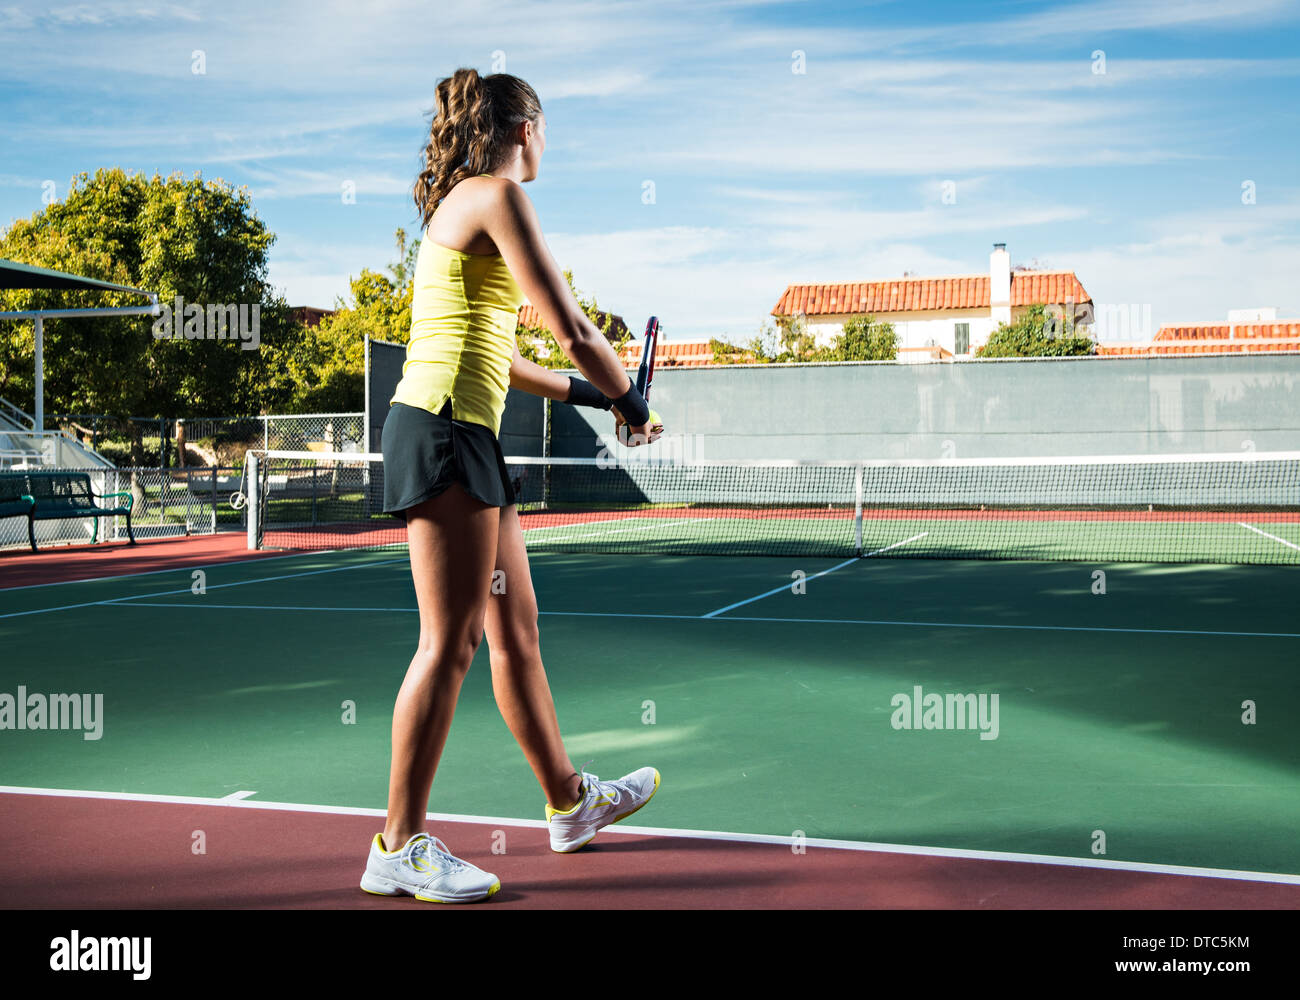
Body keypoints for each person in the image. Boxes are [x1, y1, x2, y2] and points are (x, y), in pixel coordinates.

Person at [359, 68, 662, 904]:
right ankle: (397, 843)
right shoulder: (495, 195)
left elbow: (511, 354)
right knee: (448, 644)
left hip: (470, 434)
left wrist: (597, 398)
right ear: (523, 126)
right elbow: (571, 326)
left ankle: (569, 803)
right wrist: (631, 403)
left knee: (516, 633)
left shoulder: (464, 206)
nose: (548, 140)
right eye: (547, 125)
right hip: (441, 431)